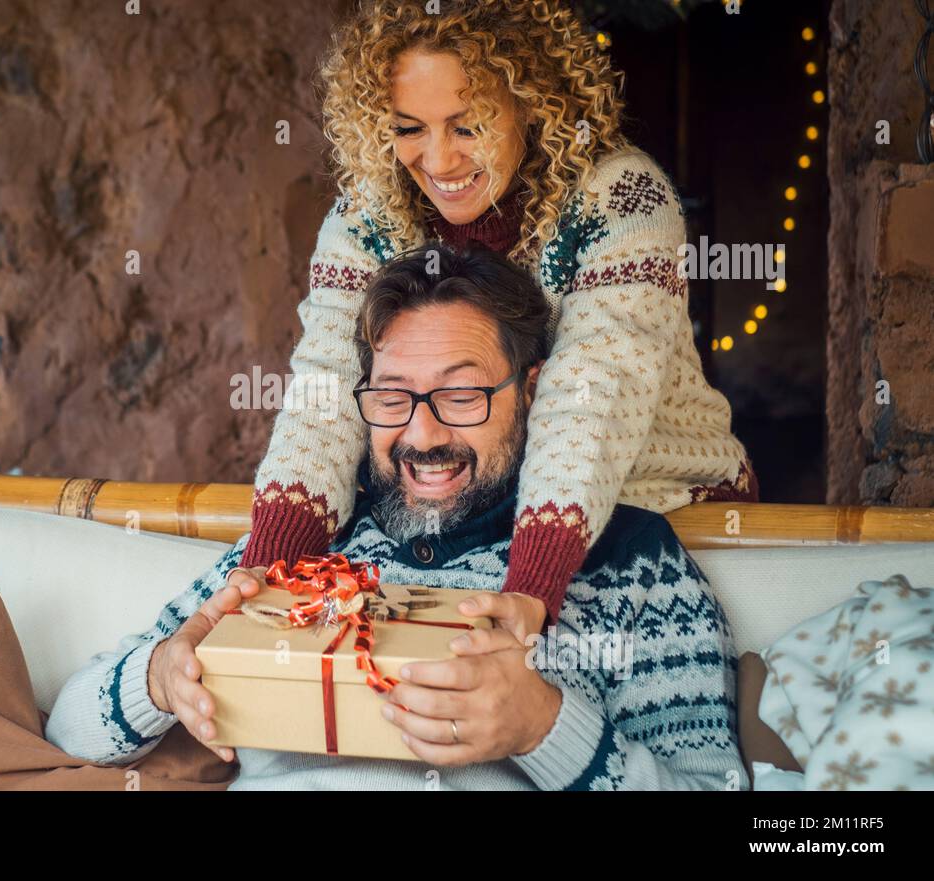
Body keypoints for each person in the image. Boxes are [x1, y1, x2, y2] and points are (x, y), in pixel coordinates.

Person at [45, 245, 745, 791]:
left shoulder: (627, 560)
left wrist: (543, 726)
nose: (422, 434)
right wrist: (159, 678)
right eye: (392, 396)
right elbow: (68, 728)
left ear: (532, 392)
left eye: (462, 394)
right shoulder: (302, 550)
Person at [238, 0, 758, 642]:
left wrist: (531, 590)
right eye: (408, 128)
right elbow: (327, 385)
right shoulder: (363, 217)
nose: (439, 161)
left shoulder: (622, 199)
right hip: (476, 518)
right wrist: (268, 567)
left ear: (532, 99)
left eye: (468, 125)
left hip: (648, 509)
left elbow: (590, 400)